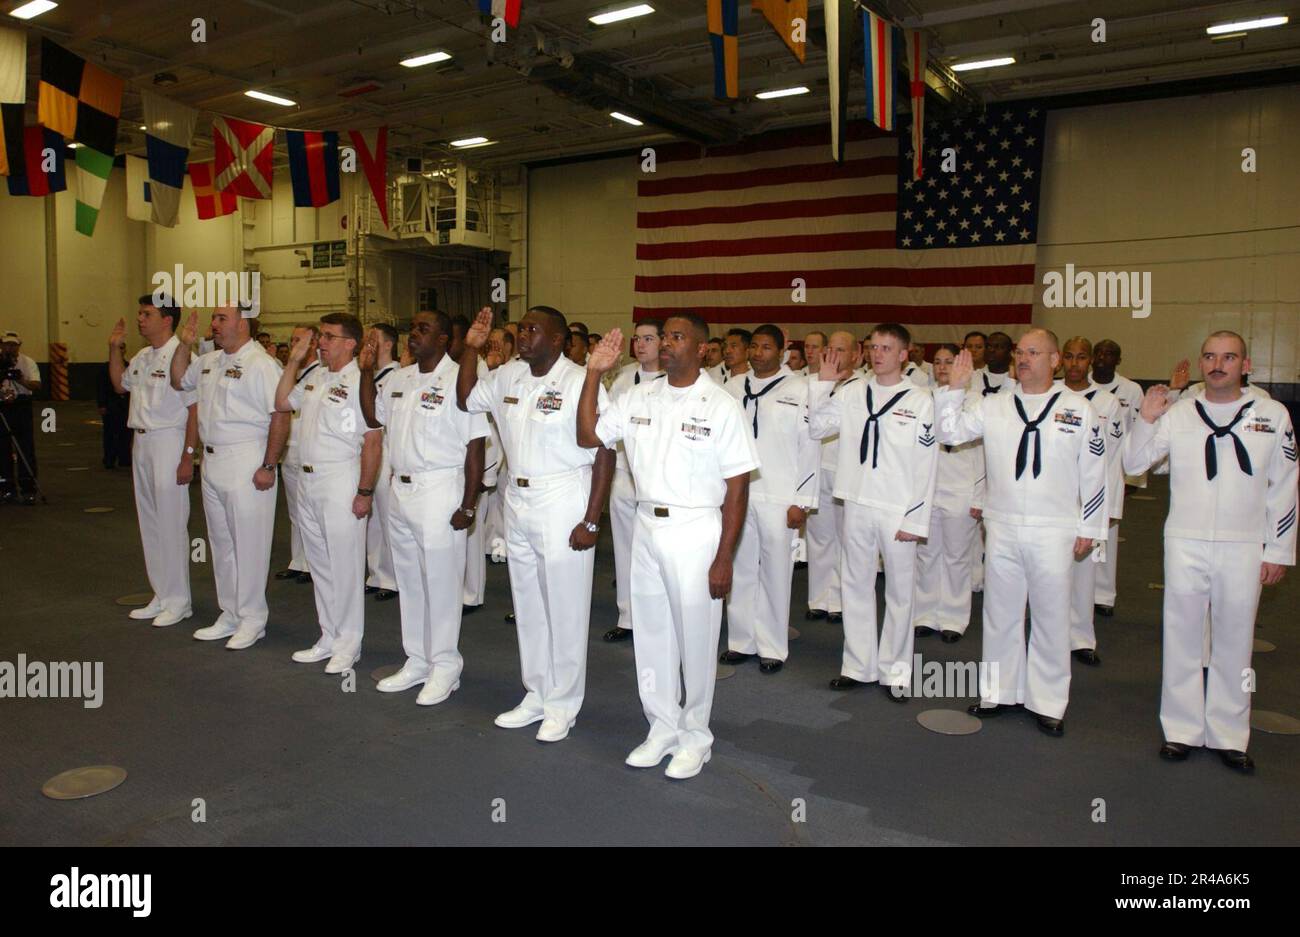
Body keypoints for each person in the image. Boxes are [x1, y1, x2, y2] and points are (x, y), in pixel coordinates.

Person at [578, 316, 758, 779]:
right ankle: (661, 726)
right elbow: (588, 436)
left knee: (696, 639)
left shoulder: (721, 405)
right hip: (646, 525)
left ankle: (696, 737)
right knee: (652, 635)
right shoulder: (638, 395)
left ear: (702, 350)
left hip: (696, 528)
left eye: (678, 337)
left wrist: (725, 557)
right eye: (665, 337)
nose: (667, 344)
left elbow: (738, 487)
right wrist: (594, 374)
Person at [1124, 331, 1296, 773]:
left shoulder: (1271, 414)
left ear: (1246, 365)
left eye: (1229, 357)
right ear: (1200, 363)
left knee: (1235, 642)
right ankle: (1180, 729)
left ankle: (1229, 734)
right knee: (1181, 637)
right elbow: (1133, 465)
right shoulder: (1180, 413)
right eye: (1210, 357)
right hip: (1186, 540)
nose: (1218, 365)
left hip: (1245, 543)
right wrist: (1146, 418)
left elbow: (1285, 487)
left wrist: (1279, 550)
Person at [935, 329, 1107, 735]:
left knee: (1050, 615)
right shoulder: (994, 405)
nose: (1024, 358)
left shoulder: (1078, 408)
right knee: (1000, 612)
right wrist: (954, 390)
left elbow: (1094, 472)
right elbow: (949, 433)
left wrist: (1091, 526)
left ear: (1055, 360)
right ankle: (998, 691)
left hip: (1055, 527)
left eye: (1034, 352)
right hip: (1003, 523)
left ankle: (1048, 701)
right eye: (1020, 352)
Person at [457, 305, 615, 742]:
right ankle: (537, 692)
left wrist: (592, 519)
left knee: (565, 608)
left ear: (559, 340)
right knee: (527, 603)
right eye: (521, 328)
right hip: (518, 496)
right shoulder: (509, 374)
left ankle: (563, 704)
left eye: (533, 330)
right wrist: (470, 349)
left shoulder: (580, 380)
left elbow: (604, 451)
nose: (523, 335)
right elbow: (466, 398)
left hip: (563, 496)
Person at [361, 310, 489, 704]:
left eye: (423, 329)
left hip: (440, 488)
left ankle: (446, 665)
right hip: (400, 489)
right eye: (412, 328)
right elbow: (372, 416)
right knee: (410, 581)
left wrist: (469, 504)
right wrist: (365, 372)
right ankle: (417, 659)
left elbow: (476, 446)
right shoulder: (399, 378)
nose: (413, 334)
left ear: (445, 339)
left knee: (441, 582)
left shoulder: (460, 380)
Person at [810, 323, 938, 699]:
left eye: (886, 348)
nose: (878, 354)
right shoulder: (852, 392)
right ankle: (858, 665)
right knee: (855, 585)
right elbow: (817, 429)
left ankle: (895, 670)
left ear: (904, 354)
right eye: (874, 347)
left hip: (898, 507)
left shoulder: (920, 399)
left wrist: (916, 517)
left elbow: (926, 465)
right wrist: (822, 385)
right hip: (857, 501)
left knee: (899, 591)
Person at [171, 304, 289, 650]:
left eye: (222, 318)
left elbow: (280, 414)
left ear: (243, 324)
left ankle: (252, 618)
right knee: (221, 543)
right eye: (214, 318)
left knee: (249, 544)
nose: (214, 324)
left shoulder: (262, 364)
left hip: (246, 458)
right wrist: (184, 344)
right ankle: (231, 612)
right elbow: (178, 380)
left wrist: (269, 465)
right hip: (212, 460)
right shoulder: (209, 360)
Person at [275, 314, 382, 674]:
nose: (321, 342)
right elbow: (281, 401)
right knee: (320, 564)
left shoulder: (360, 382)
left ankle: (349, 643)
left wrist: (364, 491)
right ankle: (329, 635)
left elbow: (372, 440)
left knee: (345, 566)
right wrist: (294, 360)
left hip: (340, 478)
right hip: (307, 480)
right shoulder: (315, 376)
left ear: (350, 343)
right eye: (321, 336)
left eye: (329, 337)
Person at [720, 324, 819, 673]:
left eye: (766, 347)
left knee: (776, 571)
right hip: (739, 494)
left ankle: (772, 646)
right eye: (754, 347)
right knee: (741, 567)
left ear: (782, 351)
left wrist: (802, 500)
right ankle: (741, 640)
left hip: (781, 494)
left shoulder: (800, 389)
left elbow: (810, 448)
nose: (758, 353)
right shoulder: (733, 388)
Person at [108, 295, 198, 628]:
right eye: (140, 314)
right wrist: (114, 348)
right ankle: (161, 594)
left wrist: (188, 456)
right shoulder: (143, 356)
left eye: (147, 314)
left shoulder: (183, 355)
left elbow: (194, 410)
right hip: (142, 442)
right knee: (150, 523)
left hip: (168, 441)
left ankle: (179, 600)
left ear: (167, 320)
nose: (140, 319)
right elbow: (120, 385)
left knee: (171, 523)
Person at [1059, 337, 1126, 666]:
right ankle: (1049, 634)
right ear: (1060, 359)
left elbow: (1113, 459)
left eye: (1081, 357)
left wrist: (1109, 507)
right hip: (1054, 497)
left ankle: (1081, 638)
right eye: (1069, 356)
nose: (1074, 363)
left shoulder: (1107, 403)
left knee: (1084, 575)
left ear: (1089, 362)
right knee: (1050, 573)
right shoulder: (1049, 395)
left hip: (1088, 498)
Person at [912, 344, 982, 643]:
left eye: (949, 362)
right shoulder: (921, 398)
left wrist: (980, 496)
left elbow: (984, 454)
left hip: (961, 487)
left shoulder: (976, 401)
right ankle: (925, 613)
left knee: (956, 556)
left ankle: (953, 617)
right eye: (938, 362)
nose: (942, 367)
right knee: (926, 554)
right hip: (928, 487)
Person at [604, 319, 666, 643]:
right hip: (625, 475)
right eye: (637, 339)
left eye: (648, 338)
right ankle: (627, 615)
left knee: (658, 552)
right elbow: (605, 428)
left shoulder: (675, 379)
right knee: (625, 549)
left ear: (663, 342)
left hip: (661, 483)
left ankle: (659, 615)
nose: (640, 344)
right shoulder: (624, 379)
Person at [804, 331, 858, 626]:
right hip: (817, 468)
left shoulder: (861, 387)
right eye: (831, 349)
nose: (834, 355)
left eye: (841, 350)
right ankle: (819, 598)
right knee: (819, 537)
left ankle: (839, 599)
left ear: (856, 355)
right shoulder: (813, 383)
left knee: (845, 538)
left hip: (845, 471)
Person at [273, 325, 320, 586]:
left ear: (314, 344)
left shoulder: (321, 373)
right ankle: (299, 560)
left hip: (310, 453)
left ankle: (314, 563)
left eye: (299, 340)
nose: (294, 345)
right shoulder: (291, 373)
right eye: (292, 340)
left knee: (311, 512)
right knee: (295, 511)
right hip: (290, 450)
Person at [363, 323, 401, 602]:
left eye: (374, 339)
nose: (369, 343)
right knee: (373, 518)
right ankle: (377, 574)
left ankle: (394, 577)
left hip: (388, 448)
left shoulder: (398, 376)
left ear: (388, 344)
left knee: (389, 517)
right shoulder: (367, 374)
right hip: (368, 448)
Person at [0, 330, 41, 505]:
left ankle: (28, 488)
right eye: (7, 345)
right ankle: (6, 488)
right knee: (3, 449)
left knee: (25, 448)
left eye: (13, 345)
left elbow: (36, 385)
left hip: (21, 405)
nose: (10, 348)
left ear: (19, 346)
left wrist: (21, 379)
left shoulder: (28, 362)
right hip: (3, 406)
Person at [96, 355, 132, 470]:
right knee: (110, 434)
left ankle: (124, 458)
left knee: (126, 434)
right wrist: (101, 404)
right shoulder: (105, 368)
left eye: (122, 348)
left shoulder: (130, 366)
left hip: (126, 406)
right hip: (110, 406)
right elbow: (101, 387)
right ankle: (109, 459)